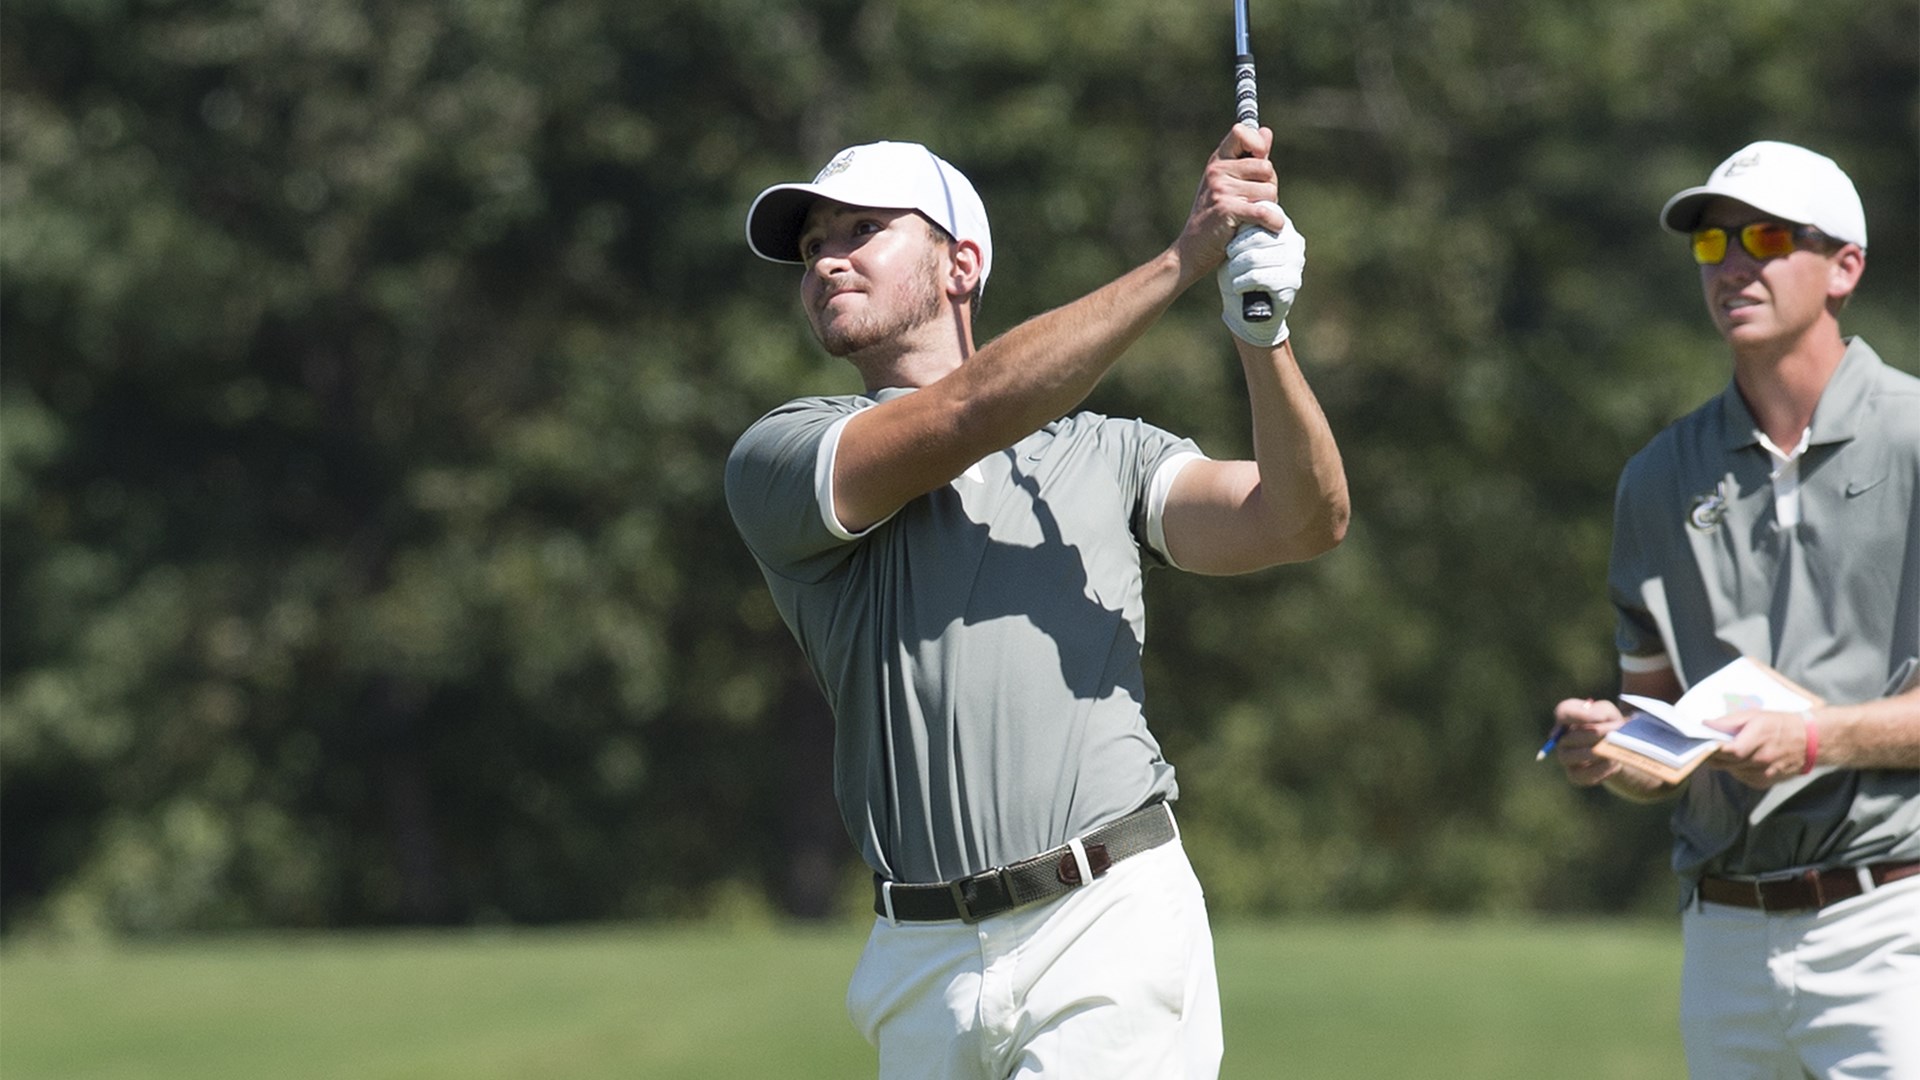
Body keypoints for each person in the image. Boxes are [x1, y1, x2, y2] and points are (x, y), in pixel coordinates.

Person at [725, 127, 1347, 1080]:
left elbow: (1299, 521)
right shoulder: (786, 454)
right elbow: (969, 414)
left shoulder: (1107, 451)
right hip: (917, 959)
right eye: (812, 247)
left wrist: (1262, 334)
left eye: (861, 230)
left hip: (1107, 920)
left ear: (960, 263)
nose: (827, 260)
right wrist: (1186, 256)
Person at [1548, 140, 1920, 1078]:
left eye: (1764, 236)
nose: (1735, 263)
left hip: (1894, 923)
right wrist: (1612, 748)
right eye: (1714, 245)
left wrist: (1817, 740)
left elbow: (1812, 739)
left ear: (1846, 267)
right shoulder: (1658, 478)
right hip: (1723, 941)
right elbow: (1660, 730)